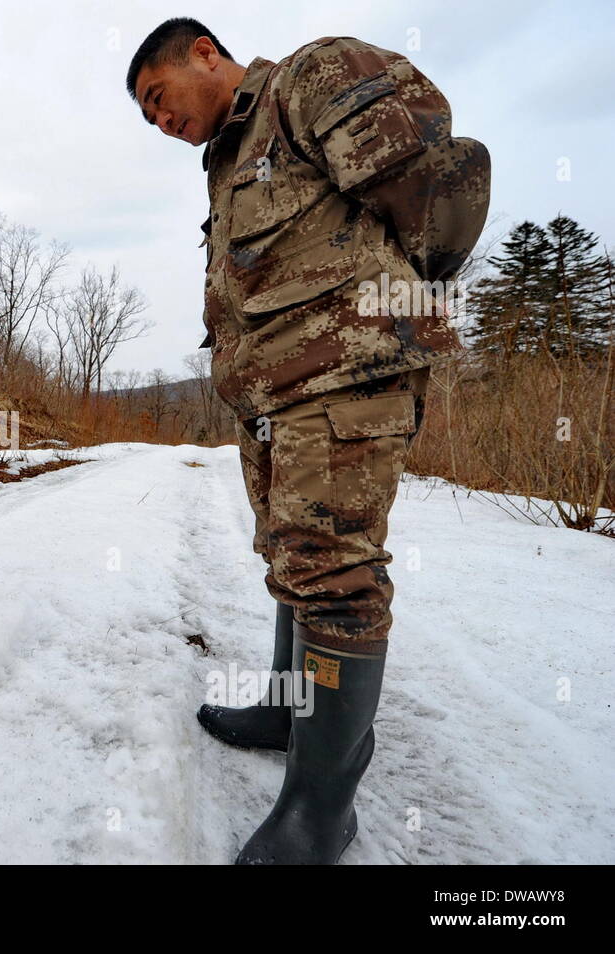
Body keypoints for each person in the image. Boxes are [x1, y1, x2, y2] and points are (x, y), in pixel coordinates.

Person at [125, 18, 489, 863]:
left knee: (336, 577)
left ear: (204, 55)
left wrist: (391, 314)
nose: (159, 122)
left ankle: (321, 811)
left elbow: (438, 188)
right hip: (279, 401)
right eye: (147, 119)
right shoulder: (231, 156)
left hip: (346, 380)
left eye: (157, 98)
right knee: (297, 557)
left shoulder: (310, 78)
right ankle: (294, 712)